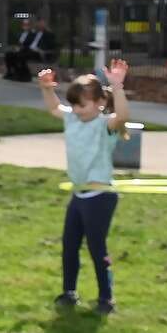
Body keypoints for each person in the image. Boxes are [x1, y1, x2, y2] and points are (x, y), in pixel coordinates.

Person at [36, 60, 129, 314]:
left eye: (82, 104)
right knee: (70, 245)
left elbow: (122, 116)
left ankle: (106, 299)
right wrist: (46, 88)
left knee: (97, 248)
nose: (76, 109)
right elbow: (54, 107)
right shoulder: (73, 119)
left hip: (100, 196)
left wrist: (117, 86)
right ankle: (69, 292)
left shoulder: (105, 125)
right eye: (74, 104)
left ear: (100, 102)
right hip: (79, 194)